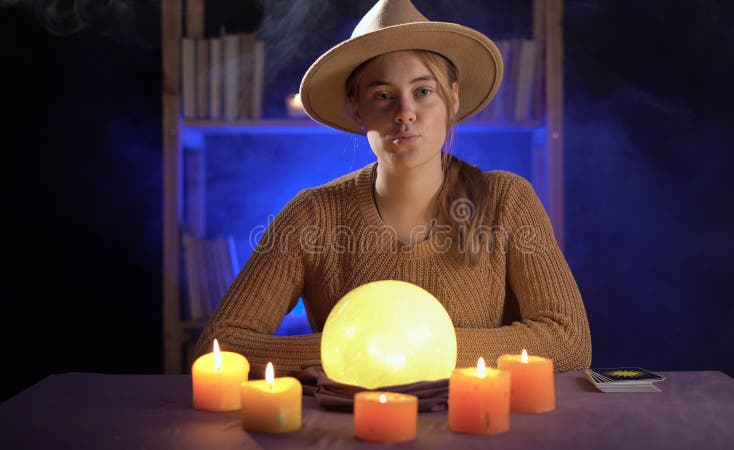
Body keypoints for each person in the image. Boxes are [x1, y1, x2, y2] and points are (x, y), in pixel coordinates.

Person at [195, 0, 591, 379]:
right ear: (356, 108)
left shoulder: (507, 201)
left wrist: (404, 349)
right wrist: (355, 352)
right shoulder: (312, 216)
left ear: (452, 98)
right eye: (383, 96)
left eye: (423, 91)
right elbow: (220, 346)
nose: (404, 112)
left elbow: (568, 342)